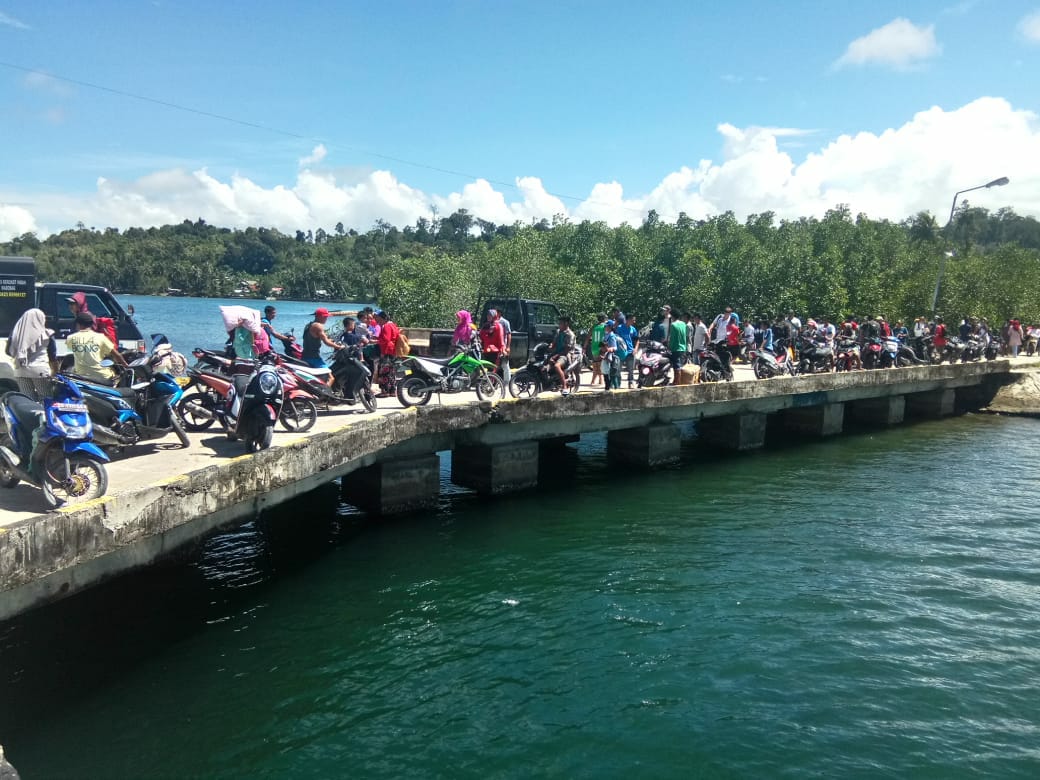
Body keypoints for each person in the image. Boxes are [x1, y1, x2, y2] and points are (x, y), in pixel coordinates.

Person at [66, 311, 128, 384]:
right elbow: (117, 355)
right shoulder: (101, 337)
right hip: (103, 377)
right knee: (117, 375)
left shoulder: (70, 338)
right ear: (91, 324)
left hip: (81, 376)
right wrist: (126, 365)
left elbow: (71, 349)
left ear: (78, 324)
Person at [7, 307, 56, 399]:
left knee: (27, 399)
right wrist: (55, 371)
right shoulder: (47, 334)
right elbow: (52, 355)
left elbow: (8, 351)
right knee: (46, 398)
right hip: (40, 370)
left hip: (20, 370)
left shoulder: (15, 334)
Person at [548, 315, 577, 396]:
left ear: (566, 324)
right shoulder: (558, 332)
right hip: (556, 353)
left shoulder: (570, 335)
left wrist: (555, 356)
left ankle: (564, 387)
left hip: (565, 355)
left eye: (560, 323)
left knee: (557, 366)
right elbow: (554, 341)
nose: (559, 325)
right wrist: (551, 345)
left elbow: (566, 350)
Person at [616, 313, 639, 388]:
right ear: (628, 320)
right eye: (633, 320)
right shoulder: (619, 328)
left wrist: (635, 349)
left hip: (630, 351)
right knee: (618, 368)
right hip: (621, 352)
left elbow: (637, 340)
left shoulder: (633, 329)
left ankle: (630, 382)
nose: (634, 321)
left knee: (631, 369)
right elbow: (616, 338)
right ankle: (617, 383)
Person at [585, 313, 607, 386]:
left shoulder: (594, 326)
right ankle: (600, 380)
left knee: (595, 364)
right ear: (604, 319)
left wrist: (584, 347)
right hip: (601, 347)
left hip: (594, 347)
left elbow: (588, 337)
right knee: (600, 365)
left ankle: (595, 381)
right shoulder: (605, 326)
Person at [600, 319, 621, 391]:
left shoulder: (611, 336)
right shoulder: (605, 335)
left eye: (606, 326)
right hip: (605, 357)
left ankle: (616, 389)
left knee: (612, 374)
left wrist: (608, 349)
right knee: (605, 373)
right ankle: (607, 388)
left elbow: (615, 347)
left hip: (611, 357)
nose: (605, 327)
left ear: (610, 327)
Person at [669, 311, 689, 382]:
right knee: (681, 365)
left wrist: (669, 347)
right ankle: (680, 381)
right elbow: (686, 336)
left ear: (673, 316)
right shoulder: (683, 324)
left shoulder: (673, 325)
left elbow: (672, 338)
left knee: (676, 366)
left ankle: (677, 382)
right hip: (683, 347)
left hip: (676, 348)